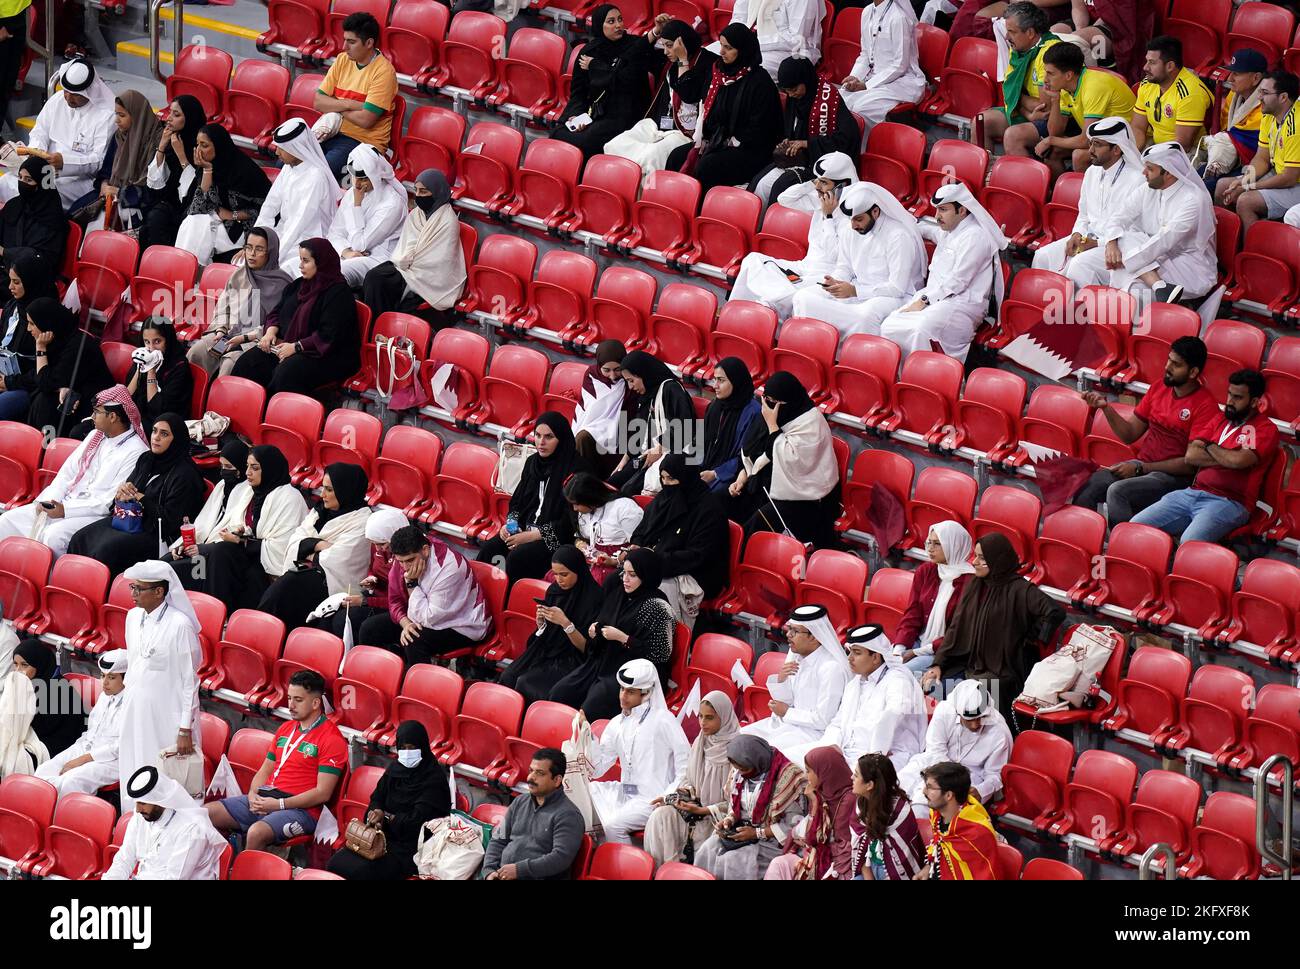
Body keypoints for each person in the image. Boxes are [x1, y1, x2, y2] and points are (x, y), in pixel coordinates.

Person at [1074, 336, 1219, 526]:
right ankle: (1086, 543)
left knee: (1118, 491)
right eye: (1169, 360)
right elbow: (1129, 434)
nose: (1167, 367)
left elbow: (1189, 465)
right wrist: (1105, 407)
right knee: (1089, 485)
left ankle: (1122, 550)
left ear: (1193, 372)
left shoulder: (1206, 406)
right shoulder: (1159, 388)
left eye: (1176, 364)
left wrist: (1140, 468)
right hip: (1142, 466)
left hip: (1173, 478)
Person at [922, 532, 1066, 720]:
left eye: (982, 558)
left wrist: (1031, 637)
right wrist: (938, 663)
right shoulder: (975, 584)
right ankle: (945, 737)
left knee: (971, 695)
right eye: (975, 556)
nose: (974, 562)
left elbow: (1055, 612)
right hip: (970, 662)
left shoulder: (1020, 589)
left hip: (1003, 670)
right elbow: (956, 628)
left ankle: (978, 739)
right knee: (929, 685)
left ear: (997, 559)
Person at [1132, 369, 1280, 545]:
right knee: (1135, 526)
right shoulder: (1219, 419)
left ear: (1255, 402)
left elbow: (1239, 461)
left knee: (1189, 542)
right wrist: (1227, 456)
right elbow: (1191, 456)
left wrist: (1209, 446)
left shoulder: (1264, 429)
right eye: (1229, 394)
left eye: (1238, 398)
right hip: (1193, 492)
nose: (1229, 402)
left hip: (1231, 502)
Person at [206, 669, 347, 849]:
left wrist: (279, 804)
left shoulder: (332, 739)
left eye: (298, 700)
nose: (291, 705)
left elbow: (322, 793)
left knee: (257, 832)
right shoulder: (286, 728)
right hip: (267, 798)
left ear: (315, 703)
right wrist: (252, 795)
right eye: (289, 698)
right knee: (206, 813)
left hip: (302, 811)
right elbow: (265, 769)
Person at [0, 385, 146, 556]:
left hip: (94, 515)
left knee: (53, 536)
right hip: (64, 502)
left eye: (96, 412)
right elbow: (66, 474)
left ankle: (48, 579)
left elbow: (106, 502)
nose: (92, 417)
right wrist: (47, 501)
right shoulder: (95, 436)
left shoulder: (136, 450)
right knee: (7, 520)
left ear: (113, 416)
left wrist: (65, 511)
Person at [878, 182, 1008, 362]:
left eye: (943, 210)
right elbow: (930, 231)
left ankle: (928, 379)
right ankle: (901, 377)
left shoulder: (976, 237)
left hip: (962, 305)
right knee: (889, 325)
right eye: (937, 210)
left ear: (962, 211)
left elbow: (959, 281)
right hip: (935, 299)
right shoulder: (951, 229)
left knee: (919, 329)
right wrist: (906, 225)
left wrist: (924, 301)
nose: (937, 216)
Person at [66, 413, 205, 575]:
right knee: (80, 538)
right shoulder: (147, 459)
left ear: (177, 440)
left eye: (164, 434)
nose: (156, 437)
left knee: (105, 551)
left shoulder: (186, 475)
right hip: (128, 520)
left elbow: (170, 523)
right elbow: (126, 492)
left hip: (156, 535)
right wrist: (121, 494)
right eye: (154, 431)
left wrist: (141, 498)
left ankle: (98, 595)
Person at [175, 445, 309, 608]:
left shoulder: (289, 498)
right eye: (247, 466)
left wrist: (242, 542)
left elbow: (283, 549)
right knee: (190, 557)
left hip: (269, 566)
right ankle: (209, 609)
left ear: (269, 468)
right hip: (247, 554)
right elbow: (241, 525)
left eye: (255, 468)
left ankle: (218, 613)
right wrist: (241, 533)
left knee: (218, 554)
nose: (248, 473)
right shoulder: (252, 492)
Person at [116, 561, 203, 813]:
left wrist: (185, 727)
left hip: (168, 715)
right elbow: (134, 662)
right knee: (133, 764)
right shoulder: (132, 617)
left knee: (167, 775)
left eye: (139, 589)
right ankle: (132, 823)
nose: (133, 594)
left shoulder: (180, 625)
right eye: (132, 587)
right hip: (135, 710)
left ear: (159, 592)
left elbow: (190, 680)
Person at [789, 181, 927, 338]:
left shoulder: (898, 236)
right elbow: (845, 267)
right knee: (804, 297)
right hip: (857, 288)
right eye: (851, 220)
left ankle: (854, 357)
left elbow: (897, 288)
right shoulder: (851, 229)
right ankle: (817, 349)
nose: (853, 225)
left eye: (859, 219)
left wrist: (855, 291)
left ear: (875, 211)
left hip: (892, 296)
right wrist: (835, 281)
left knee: (864, 316)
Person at [550, 548, 676, 720]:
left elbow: (659, 655)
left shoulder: (658, 606)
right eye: (624, 572)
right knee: (560, 693)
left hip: (633, 673)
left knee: (592, 705)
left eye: (632, 575)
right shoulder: (619, 593)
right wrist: (596, 630)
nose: (625, 579)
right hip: (604, 661)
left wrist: (623, 638)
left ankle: (589, 744)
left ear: (646, 575)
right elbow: (604, 622)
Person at [729, 151, 859, 317]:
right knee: (753, 260)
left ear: (843, 185)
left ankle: (762, 313)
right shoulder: (821, 198)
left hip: (824, 276)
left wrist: (828, 216)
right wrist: (813, 183)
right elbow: (785, 199)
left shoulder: (855, 215)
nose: (819, 187)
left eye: (824, 183)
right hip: (803, 267)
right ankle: (735, 312)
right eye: (818, 181)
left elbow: (834, 254)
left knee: (793, 292)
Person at [230, 239, 361, 396]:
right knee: (248, 363)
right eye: (300, 260)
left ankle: (272, 417)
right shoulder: (299, 285)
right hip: (289, 346)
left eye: (306, 261)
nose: (300, 266)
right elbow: (276, 312)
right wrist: (271, 332)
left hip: (326, 355)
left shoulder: (338, 294)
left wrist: (297, 347)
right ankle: (243, 413)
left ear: (321, 262)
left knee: (286, 373)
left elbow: (329, 335)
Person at [791, 623, 927, 771]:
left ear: (875, 657)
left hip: (885, 756)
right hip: (845, 750)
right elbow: (837, 723)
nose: (849, 658)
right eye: (849, 652)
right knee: (789, 759)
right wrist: (831, 747)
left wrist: (872, 760)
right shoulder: (855, 683)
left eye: (856, 653)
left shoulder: (897, 681)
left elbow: (891, 716)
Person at [585, 657, 691, 844]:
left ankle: (628, 870)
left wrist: (669, 795)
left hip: (653, 798)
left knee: (613, 825)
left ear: (646, 694)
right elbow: (597, 770)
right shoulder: (616, 723)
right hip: (625, 792)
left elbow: (686, 764)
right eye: (622, 689)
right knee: (581, 794)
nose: (623, 696)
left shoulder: (664, 720)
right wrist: (587, 736)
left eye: (630, 692)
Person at [1030, 116, 1145, 286]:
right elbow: (1083, 215)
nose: (1090, 150)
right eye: (1091, 143)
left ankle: (1080, 312)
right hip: (1087, 237)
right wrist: (1077, 234)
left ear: (1117, 150)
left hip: (1116, 246)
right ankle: (1042, 310)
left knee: (1080, 265)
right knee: (1042, 255)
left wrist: (1096, 243)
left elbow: (1136, 233)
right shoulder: (1092, 172)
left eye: (1097, 145)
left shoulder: (1138, 180)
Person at [732, 370, 841, 549]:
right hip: (768, 486)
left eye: (774, 402)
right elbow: (752, 449)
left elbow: (793, 462)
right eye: (765, 398)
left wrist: (773, 426)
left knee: (755, 525)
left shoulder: (811, 422)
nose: (767, 405)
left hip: (806, 498)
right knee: (723, 503)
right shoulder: (770, 412)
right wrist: (742, 474)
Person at [667, 24, 784, 192]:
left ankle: (698, 213)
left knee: (708, 166)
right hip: (719, 140)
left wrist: (729, 141)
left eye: (728, 48)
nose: (721, 52)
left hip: (750, 149)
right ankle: (674, 206)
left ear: (742, 50)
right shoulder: (718, 73)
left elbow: (762, 129)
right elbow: (693, 96)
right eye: (721, 45)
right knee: (676, 156)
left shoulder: (760, 82)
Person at [328, 720, 450, 880]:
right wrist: (375, 812)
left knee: (360, 873)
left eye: (412, 748)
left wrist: (385, 817)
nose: (407, 753)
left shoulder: (433, 780)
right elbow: (377, 797)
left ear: (423, 747)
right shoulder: (395, 769)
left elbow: (418, 822)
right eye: (403, 748)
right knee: (335, 863)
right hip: (379, 838)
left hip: (411, 849)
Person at [257, 463, 372, 630]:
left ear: (346, 490)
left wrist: (308, 550)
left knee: (285, 590)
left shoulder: (362, 521)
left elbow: (339, 561)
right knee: (277, 590)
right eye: (322, 488)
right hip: (305, 573)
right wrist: (317, 544)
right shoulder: (320, 511)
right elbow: (295, 539)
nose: (322, 495)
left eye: (329, 490)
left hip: (332, 585)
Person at [476, 412, 583, 585]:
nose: (541, 442)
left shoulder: (575, 469)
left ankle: (508, 602)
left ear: (561, 439)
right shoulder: (533, 462)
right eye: (538, 435)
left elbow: (571, 521)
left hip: (554, 538)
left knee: (519, 557)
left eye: (549, 437)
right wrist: (510, 525)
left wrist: (532, 536)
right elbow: (517, 502)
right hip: (524, 530)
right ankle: (484, 596)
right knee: (492, 548)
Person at [1104, 141, 1217, 305]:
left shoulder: (1193, 199)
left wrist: (1124, 258)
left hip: (1189, 265)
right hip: (1156, 258)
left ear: (1169, 173)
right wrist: (1111, 242)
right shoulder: (1148, 188)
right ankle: (1159, 286)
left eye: (1150, 169)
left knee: (1132, 286)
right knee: (1125, 238)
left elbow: (1164, 240)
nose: (1144, 172)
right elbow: (1119, 215)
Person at [626, 454, 730, 628]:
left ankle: (667, 644)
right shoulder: (663, 499)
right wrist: (637, 547)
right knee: (618, 579)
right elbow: (642, 530)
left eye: (672, 478)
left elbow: (698, 556)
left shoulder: (709, 510)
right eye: (663, 478)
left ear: (686, 477)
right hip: (658, 563)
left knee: (657, 588)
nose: (666, 484)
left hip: (696, 573)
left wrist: (654, 561)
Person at [605, 18, 718, 176]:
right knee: (616, 144)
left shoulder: (710, 63)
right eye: (663, 45)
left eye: (670, 46)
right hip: (658, 126)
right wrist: (655, 32)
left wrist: (683, 60)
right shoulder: (667, 62)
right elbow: (631, 57)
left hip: (685, 133)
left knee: (650, 157)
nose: (665, 51)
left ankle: (646, 197)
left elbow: (689, 95)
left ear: (683, 43)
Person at [0, 57, 114, 208]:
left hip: (78, 179)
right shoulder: (58, 100)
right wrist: (37, 151)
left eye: (75, 94)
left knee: (38, 190)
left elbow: (99, 160)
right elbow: (40, 131)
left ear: (89, 92)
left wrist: (64, 162)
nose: (68, 97)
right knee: (5, 182)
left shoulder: (107, 115)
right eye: (66, 91)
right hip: (43, 168)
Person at [371, 524, 491, 666]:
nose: (404, 567)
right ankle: (389, 676)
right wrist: (406, 624)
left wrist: (411, 584)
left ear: (425, 550)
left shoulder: (449, 569)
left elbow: (429, 618)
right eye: (400, 561)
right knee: (371, 628)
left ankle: (420, 686)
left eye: (409, 560)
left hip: (464, 625)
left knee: (413, 641)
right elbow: (395, 600)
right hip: (425, 614)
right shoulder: (405, 556)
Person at [644, 690, 741, 865]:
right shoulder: (701, 741)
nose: (702, 723)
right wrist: (678, 796)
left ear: (724, 717)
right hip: (694, 811)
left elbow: (738, 804)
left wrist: (703, 810)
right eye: (700, 716)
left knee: (711, 843)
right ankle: (664, 873)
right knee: (659, 817)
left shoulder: (738, 751)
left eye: (709, 717)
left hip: (720, 818)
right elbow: (689, 780)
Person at [500, 545, 605, 704]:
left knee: (526, 683)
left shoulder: (594, 599)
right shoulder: (554, 591)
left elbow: (587, 649)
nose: (559, 579)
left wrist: (565, 623)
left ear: (578, 570)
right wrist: (541, 626)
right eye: (555, 574)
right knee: (509, 676)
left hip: (573, 658)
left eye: (564, 574)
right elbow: (546, 636)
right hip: (548, 650)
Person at [748, 57, 859, 205]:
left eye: (794, 89)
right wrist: (788, 141)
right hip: (797, 160)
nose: (791, 94)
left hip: (820, 167)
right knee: (760, 184)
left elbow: (846, 139)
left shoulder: (829, 100)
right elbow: (790, 130)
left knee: (780, 187)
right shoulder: (795, 99)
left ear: (806, 80)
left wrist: (807, 144)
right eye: (786, 91)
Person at [693, 734, 804, 879]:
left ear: (756, 762)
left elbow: (794, 825)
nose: (739, 773)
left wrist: (757, 833)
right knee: (707, 849)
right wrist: (730, 820)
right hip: (744, 833)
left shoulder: (788, 778)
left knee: (733, 860)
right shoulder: (740, 771)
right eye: (737, 768)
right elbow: (737, 805)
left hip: (772, 841)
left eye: (744, 769)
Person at [362, 169, 466, 324]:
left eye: (424, 191)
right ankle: (376, 327)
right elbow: (405, 245)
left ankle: (382, 327)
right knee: (374, 277)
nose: (419, 196)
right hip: (405, 266)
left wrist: (409, 261)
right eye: (416, 191)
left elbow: (439, 260)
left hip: (428, 276)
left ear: (437, 192)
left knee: (385, 285)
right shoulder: (416, 214)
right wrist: (405, 260)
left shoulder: (447, 221)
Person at [743, 604, 854, 749]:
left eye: (794, 631)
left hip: (813, 734)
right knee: (741, 737)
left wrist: (787, 712)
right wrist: (781, 680)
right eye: (789, 629)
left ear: (814, 636)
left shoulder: (831, 668)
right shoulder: (796, 657)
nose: (788, 635)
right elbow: (788, 702)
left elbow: (823, 720)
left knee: (762, 750)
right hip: (789, 724)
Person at [187, 228, 293, 379]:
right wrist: (220, 330)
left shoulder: (283, 284)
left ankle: (216, 402)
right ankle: (193, 399)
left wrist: (245, 338)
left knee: (230, 363)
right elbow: (223, 308)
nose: (252, 253)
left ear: (271, 252)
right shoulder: (239, 274)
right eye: (248, 247)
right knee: (197, 351)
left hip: (255, 342)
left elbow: (279, 327)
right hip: (228, 334)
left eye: (259, 249)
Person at [551, 5, 653, 161]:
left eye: (620, 20)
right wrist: (574, 115)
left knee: (585, 142)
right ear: (600, 25)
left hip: (625, 114)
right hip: (596, 112)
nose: (618, 25)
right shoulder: (589, 51)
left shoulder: (634, 46)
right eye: (611, 21)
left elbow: (625, 81)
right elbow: (578, 93)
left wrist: (596, 66)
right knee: (558, 132)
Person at [899, 679, 1012, 807]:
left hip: (970, 778)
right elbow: (935, 751)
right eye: (969, 720)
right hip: (934, 762)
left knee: (922, 804)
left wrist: (981, 791)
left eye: (980, 718)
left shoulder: (999, 732)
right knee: (898, 785)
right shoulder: (945, 711)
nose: (975, 725)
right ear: (958, 712)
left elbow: (995, 775)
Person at [104, 765, 229, 880]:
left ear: (160, 801)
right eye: (136, 803)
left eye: (143, 803)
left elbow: (174, 878)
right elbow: (125, 858)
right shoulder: (141, 816)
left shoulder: (192, 829)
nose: (137, 809)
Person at [313, 11, 400, 177]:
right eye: (345, 40)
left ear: (369, 43)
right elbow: (318, 101)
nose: (344, 47)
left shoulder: (384, 72)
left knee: (320, 173)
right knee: (288, 161)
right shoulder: (342, 59)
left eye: (351, 42)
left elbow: (366, 120)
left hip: (363, 142)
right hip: (333, 132)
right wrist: (349, 104)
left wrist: (335, 105)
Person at [173, 123, 272, 267]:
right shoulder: (209, 166)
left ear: (218, 146)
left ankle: (188, 271)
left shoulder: (246, 172)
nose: (198, 151)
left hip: (244, 227)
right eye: (197, 145)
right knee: (193, 221)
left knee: (199, 222)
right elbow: (198, 206)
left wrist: (234, 215)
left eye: (204, 145)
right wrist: (207, 170)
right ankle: (187, 270)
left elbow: (266, 209)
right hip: (220, 222)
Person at [255, 120, 344, 278]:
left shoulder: (316, 176)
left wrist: (274, 257)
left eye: (281, 148)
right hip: (284, 235)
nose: (277, 153)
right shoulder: (289, 168)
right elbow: (270, 206)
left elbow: (299, 222)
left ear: (295, 148)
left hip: (308, 244)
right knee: (245, 263)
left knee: (280, 271)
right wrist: (256, 242)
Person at [1215, 71, 1300, 234]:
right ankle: (1226, 246)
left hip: (1295, 183)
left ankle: (1252, 252)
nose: (1259, 97)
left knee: (1246, 201)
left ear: (1283, 97)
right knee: (1223, 187)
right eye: (1260, 91)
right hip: (1279, 173)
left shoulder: (1296, 127)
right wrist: (1246, 180)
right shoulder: (1270, 113)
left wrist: (1250, 186)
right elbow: (1261, 158)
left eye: (1265, 93)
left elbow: (1288, 178)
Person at [1035, 40, 1136, 177]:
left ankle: (1087, 196)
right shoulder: (1065, 87)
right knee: (1052, 151)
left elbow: (1085, 140)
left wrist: (1050, 140)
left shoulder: (1094, 87)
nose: (1045, 79)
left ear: (1068, 75)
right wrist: (1055, 99)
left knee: (1079, 155)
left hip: (1125, 141)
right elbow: (1054, 132)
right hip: (1101, 139)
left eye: (1050, 73)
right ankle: (1062, 194)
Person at [482, 748, 586, 880]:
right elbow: (498, 839)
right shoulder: (520, 802)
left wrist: (519, 870)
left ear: (557, 780)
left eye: (540, 773)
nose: (531, 777)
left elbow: (560, 858)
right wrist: (489, 871)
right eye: (531, 771)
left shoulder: (569, 815)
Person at [16, 296, 113, 433]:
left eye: (32, 324)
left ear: (46, 323)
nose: (28, 329)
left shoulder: (79, 347)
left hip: (92, 408)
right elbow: (42, 377)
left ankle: (46, 449)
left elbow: (45, 383)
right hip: (70, 402)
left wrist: (40, 349)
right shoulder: (58, 341)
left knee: (45, 402)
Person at [35, 649, 126, 795]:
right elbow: (91, 731)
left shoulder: (133, 705)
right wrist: (77, 752)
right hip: (86, 746)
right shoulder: (105, 696)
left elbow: (119, 747)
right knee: (44, 770)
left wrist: (82, 759)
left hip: (112, 761)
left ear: (126, 678)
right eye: (103, 676)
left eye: (112, 677)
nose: (105, 682)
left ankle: (60, 817)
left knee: (69, 782)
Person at [309, 505, 405, 643]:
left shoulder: (405, 559)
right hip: (376, 596)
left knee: (343, 621)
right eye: (374, 543)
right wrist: (372, 578)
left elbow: (401, 602)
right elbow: (373, 567)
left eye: (382, 544)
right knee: (326, 617)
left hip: (391, 607)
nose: (378, 548)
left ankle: (356, 659)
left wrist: (365, 601)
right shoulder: (377, 547)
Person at [976, 4, 1061, 157]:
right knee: (981, 121)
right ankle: (985, 172)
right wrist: (1027, 112)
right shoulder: (1017, 49)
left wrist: (1020, 101)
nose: (1007, 37)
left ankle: (1024, 180)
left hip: (1058, 119)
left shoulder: (1050, 52)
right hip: (1028, 114)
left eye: (1012, 32)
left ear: (1030, 33)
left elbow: (1044, 107)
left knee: (1013, 136)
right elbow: (1008, 91)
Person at [893, 521, 976, 677]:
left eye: (937, 544)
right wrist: (899, 649)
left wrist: (917, 652)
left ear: (954, 545)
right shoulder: (926, 571)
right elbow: (912, 614)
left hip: (944, 652)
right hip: (918, 642)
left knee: (900, 675)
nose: (930, 548)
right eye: (929, 542)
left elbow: (959, 633)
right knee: (882, 667)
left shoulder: (972, 582)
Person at [73, 90, 164, 231]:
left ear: (137, 116)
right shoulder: (119, 137)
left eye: (122, 115)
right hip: (110, 195)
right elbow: (105, 171)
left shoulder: (156, 142)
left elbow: (153, 191)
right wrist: (104, 184)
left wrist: (119, 192)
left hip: (137, 202)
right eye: (116, 114)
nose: (117, 120)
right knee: (72, 217)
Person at [610, 350, 695, 495]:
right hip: (646, 454)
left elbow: (685, 426)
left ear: (643, 374)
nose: (630, 387)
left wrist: (660, 448)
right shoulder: (648, 393)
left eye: (631, 380)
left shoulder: (671, 389)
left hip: (668, 456)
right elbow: (641, 429)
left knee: (627, 491)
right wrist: (626, 458)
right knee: (611, 483)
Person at [765, 744, 855, 879]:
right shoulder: (822, 792)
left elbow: (844, 846)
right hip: (816, 856)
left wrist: (813, 842)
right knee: (779, 864)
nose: (807, 776)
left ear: (824, 772)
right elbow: (812, 835)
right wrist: (814, 802)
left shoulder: (849, 800)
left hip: (839, 865)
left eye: (809, 771)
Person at [839, 0, 925, 138]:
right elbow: (865, 54)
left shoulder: (899, 17)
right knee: (840, 98)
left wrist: (866, 85)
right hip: (872, 76)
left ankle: (868, 150)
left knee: (862, 108)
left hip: (901, 81)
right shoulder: (867, 11)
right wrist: (854, 77)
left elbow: (900, 65)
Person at [327, 144, 406, 287]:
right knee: (304, 260)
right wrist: (345, 251)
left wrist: (357, 206)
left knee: (333, 272)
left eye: (363, 178)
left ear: (375, 176)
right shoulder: (353, 192)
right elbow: (334, 233)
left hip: (377, 261)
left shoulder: (392, 203)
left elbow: (360, 245)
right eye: (354, 177)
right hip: (348, 254)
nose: (357, 184)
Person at [165, 438, 250, 561]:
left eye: (228, 466)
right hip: (198, 546)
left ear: (242, 467)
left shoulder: (248, 491)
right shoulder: (222, 485)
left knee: (164, 571)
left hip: (213, 555)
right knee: (162, 562)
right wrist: (184, 543)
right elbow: (203, 521)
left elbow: (237, 530)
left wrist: (202, 548)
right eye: (221, 466)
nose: (223, 471)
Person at [140, 94, 206, 252]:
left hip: (192, 212)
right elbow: (154, 185)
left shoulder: (203, 146)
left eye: (176, 115)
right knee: (154, 219)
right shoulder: (170, 140)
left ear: (190, 118)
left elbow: (195, 192)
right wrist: (162, 146)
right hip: (168, 207)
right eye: (170, 112)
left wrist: (182, 155)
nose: (168, 118)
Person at [1199, 49, 1266, 194]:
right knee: (1195, 175)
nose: (1229, 79)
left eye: (1237, 73)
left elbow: (1247, 142)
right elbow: (1227, 131)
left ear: (1256, 78)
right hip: (1233, 158)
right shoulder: (1234, 95)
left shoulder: (1266, 104)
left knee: (1212, 186)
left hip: (1257, 165)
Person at [917, 761, 998, 880]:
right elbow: (938, 845)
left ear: (948, 795)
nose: (924, 791)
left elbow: (984, 875)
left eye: (930, 787)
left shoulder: (977, 833)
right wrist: (928, 867)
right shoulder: (936, 814)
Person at [849, 752, 925, 879]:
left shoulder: (901, 811)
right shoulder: (860, 805)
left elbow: (904, 860)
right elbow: (860, 852)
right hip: (870, 868)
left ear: (869, 785)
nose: (851, 777)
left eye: (856, 775)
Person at [1132, 35, 1213, 153]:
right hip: (1158, 145)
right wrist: (1132, 154)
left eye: (1152, 62)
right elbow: (1138, 127)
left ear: (1170, 66)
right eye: (1146, 61)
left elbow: (1182, 145)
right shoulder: (1147, 83)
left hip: (1190, 153)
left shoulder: (1190, 93)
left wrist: (1154, 162)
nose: (1145, 67)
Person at [0, 253, 54, 421]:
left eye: (16, 282)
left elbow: (46, 371)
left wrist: (10, 382)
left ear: (31, 282)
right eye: (10, 281)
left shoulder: (46, 316)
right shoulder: (12, 306)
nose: (10, 287)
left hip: (24, 388)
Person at [571, 339, 637, 474]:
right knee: (582, 438)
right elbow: (588, 409)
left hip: (623, 436)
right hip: (593, 429)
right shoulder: (591, 376)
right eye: (606, 370)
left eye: (618, 369)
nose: (612, 375)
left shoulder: (631, 379)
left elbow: (630, 414)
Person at [1050, 0, 1154, 84]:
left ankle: (1089, 87)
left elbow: (1114, 14)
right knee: (1052, 35)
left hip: (1115, 25)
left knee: (1079, 42)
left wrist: (1082, 35)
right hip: (1087, 21)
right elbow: (1078, 8)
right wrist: (1079, 30)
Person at [564, 474, 643, 583]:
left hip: (620, 560)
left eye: (577, 504)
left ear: (590, 498)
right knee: (561, 571)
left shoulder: (624, 507)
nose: (574, 508)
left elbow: (638, 546)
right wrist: (580, 544)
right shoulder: (585, 510)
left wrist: (615, 561)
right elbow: (582, 537)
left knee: (592, 582)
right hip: (594, 557)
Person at [699, 357, 761, 495]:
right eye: (715, 379)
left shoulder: (754, 413)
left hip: (736, 476)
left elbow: (747, 457)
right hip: (707, 467)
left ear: (736, 382)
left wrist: (715, 473)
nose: (715, 385)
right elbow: (702, 443)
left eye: (721, 380)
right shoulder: (715, 407)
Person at [12, 639, 84, 756]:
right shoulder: (28, 684)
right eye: (15, 664)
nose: (18, 671)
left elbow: (44, 729)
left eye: (24, 665)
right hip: (36, 737)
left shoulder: (60, 690)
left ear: (39, 664)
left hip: (59, 744)